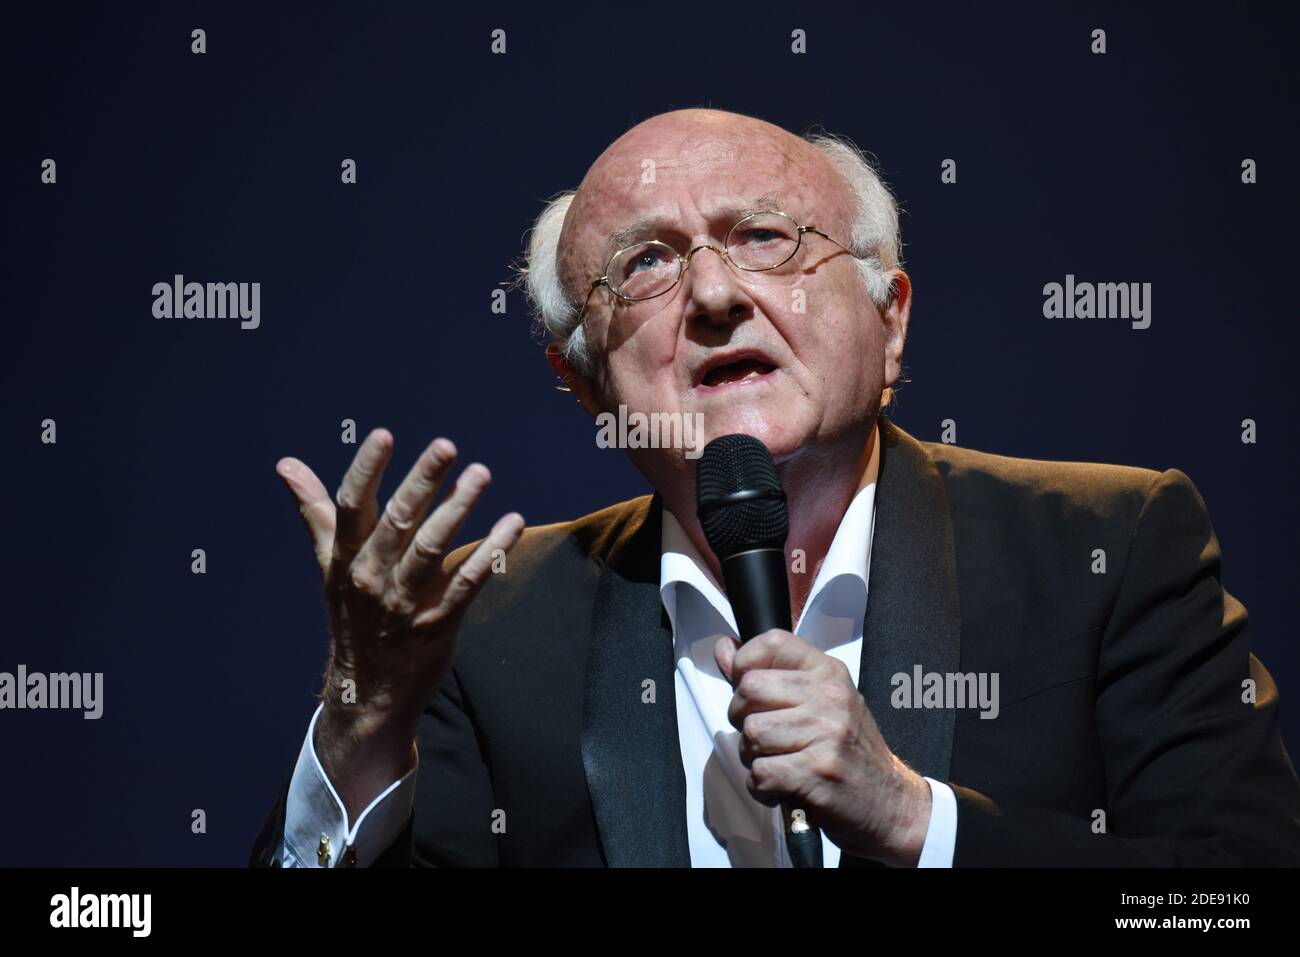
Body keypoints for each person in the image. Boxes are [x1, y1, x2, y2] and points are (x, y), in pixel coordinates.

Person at [251, 109, 1300, 867]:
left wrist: (914, 822)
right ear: (581, 381)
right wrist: (363, 722)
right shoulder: (489, 619)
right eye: (647, 265)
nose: (713, 294)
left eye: (764, 239)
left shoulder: (1103, 546)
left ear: (888, 321)